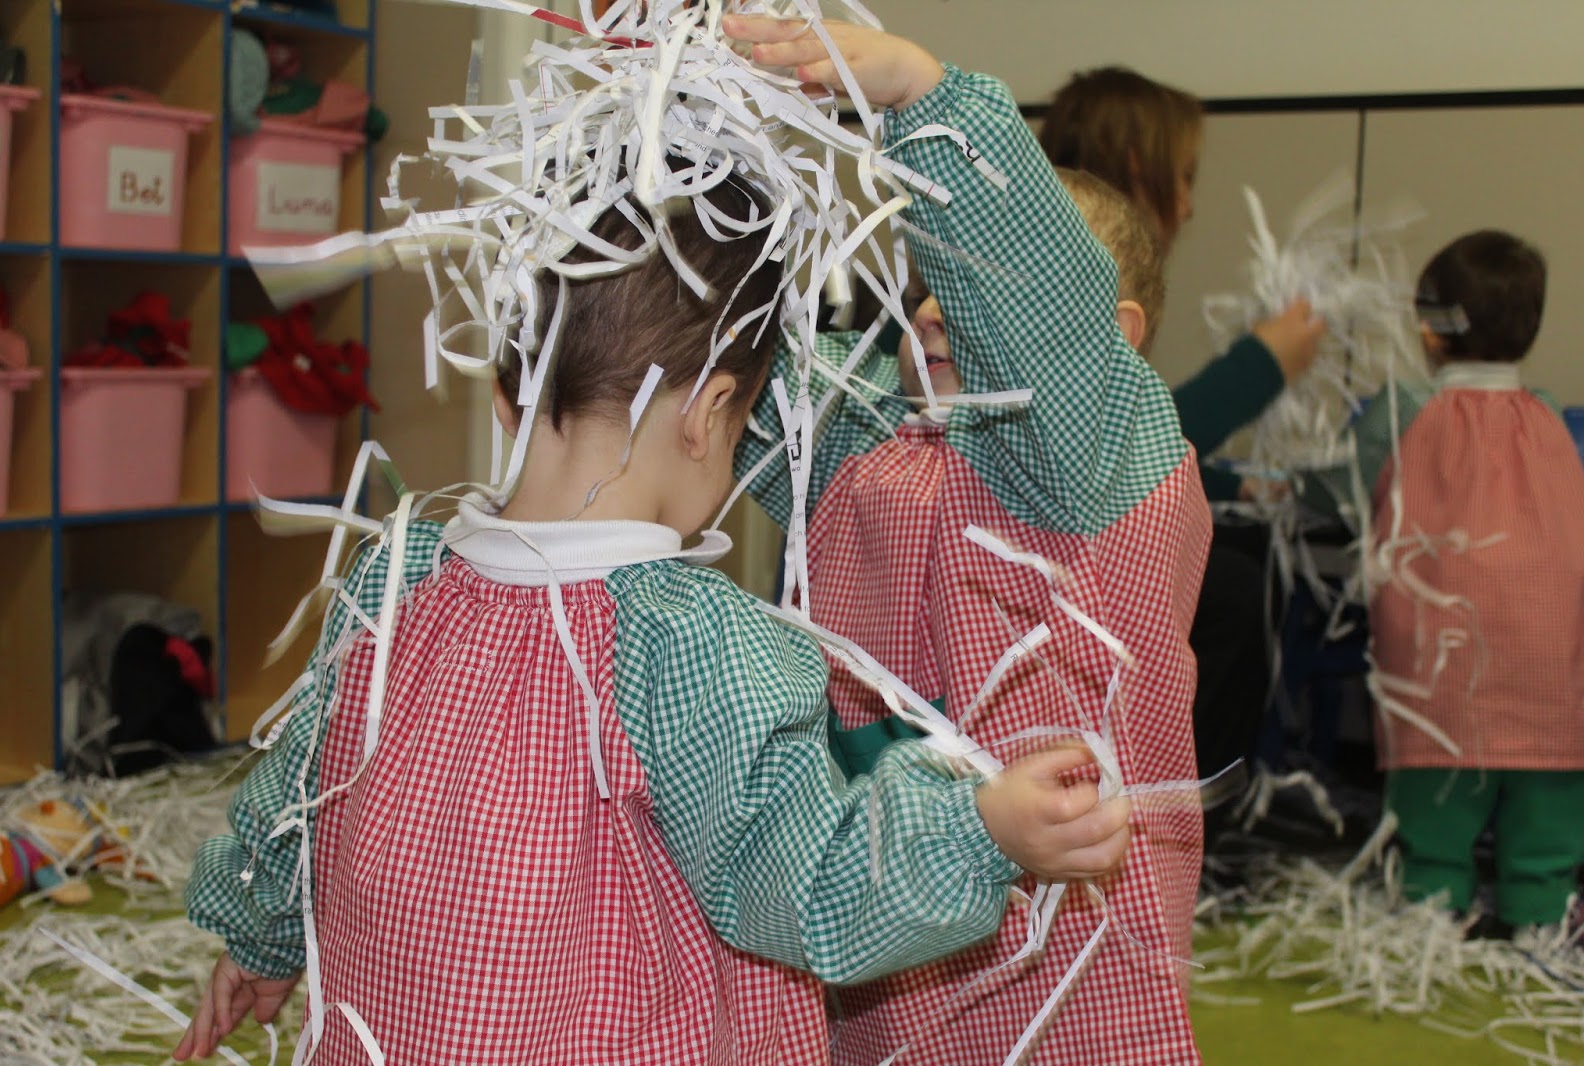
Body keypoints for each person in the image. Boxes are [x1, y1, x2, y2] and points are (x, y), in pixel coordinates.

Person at [171, 18, 1135, 1064]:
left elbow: (291, 794)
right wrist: (978, 831)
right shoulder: (691, 644)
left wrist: (259, 935)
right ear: (710, 409)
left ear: (506, 392)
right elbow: (801, 878)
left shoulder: (395, 580)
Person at [737, 69, 1209, 1066]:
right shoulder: (865, 447)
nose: (937, 314)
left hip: (1066, 956)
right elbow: (733, 368)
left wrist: (923, 96)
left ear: (1113, 347)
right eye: (923, 290)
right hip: (889, 918)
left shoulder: (1094, 462)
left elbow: (1038, 330)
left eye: (974, 301)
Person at [1039, 66, 1328, 788]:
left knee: (1238, 561)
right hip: (1041, 540)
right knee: (1230, 589)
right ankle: (1179, 810)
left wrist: (1234, 481)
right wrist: (1263, 363)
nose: (1192, 206)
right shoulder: (1068, 257)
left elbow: (1126, 437)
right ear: (1141, 167)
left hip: (1065, 521)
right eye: (1186, 176)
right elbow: (1133, 436)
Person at [1345, 230, 1584, 936]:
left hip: (1440, 663)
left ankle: (1430, 908)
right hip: (1549, 660)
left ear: (1429, 328)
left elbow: (1345, 494)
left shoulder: (1404, 412)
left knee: (1434, 803)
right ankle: (1541, 914)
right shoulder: (1551, 420)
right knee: (1549, 806)